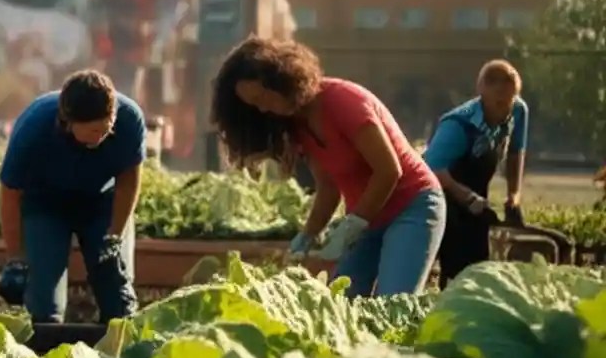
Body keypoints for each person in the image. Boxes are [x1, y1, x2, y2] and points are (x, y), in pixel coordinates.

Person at [210, 38, 445, 297]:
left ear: (280, 77)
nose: (263, 107)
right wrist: (307, 236)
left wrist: (352, 225)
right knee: (342, 301)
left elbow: (389, 170)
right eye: (255, 106)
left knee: (394, 302)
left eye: (262, 96)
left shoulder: (344, 102)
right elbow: (328, 186)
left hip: (412, 206)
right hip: (368, 219)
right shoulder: (297, 123)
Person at [0, 70, 146, 323]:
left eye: (105, 129)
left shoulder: (130, 119)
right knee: (44, 306)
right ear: (68, 121)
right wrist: (15, 259)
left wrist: (114, 236)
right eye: (92, 131)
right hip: (44, 203)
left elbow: (129, 180)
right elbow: (10, 193)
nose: (100, 137)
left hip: (101, 201)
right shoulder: (34, 126)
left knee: (118, 296)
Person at [423, 60, 529, 286]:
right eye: (497, 102)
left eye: (508, 101)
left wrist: (514, 195)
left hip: (477, 187)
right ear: (482, 94)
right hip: (441, 187)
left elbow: (516, 152)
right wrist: (467, 197)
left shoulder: (518, 111)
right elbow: (431, 170)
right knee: (455, 256)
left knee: (479, 254)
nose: (503, 108)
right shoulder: (458, 125)